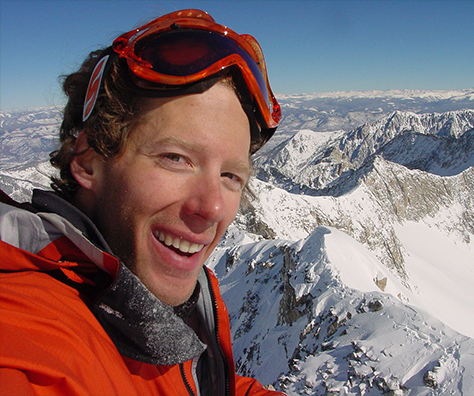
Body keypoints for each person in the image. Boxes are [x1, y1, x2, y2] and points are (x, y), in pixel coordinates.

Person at [0, 9, 284, 396]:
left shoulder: (149, 303)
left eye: (230, 176)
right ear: (87, 161)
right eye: (176, 158)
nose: (213, 207)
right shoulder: (30, 335)